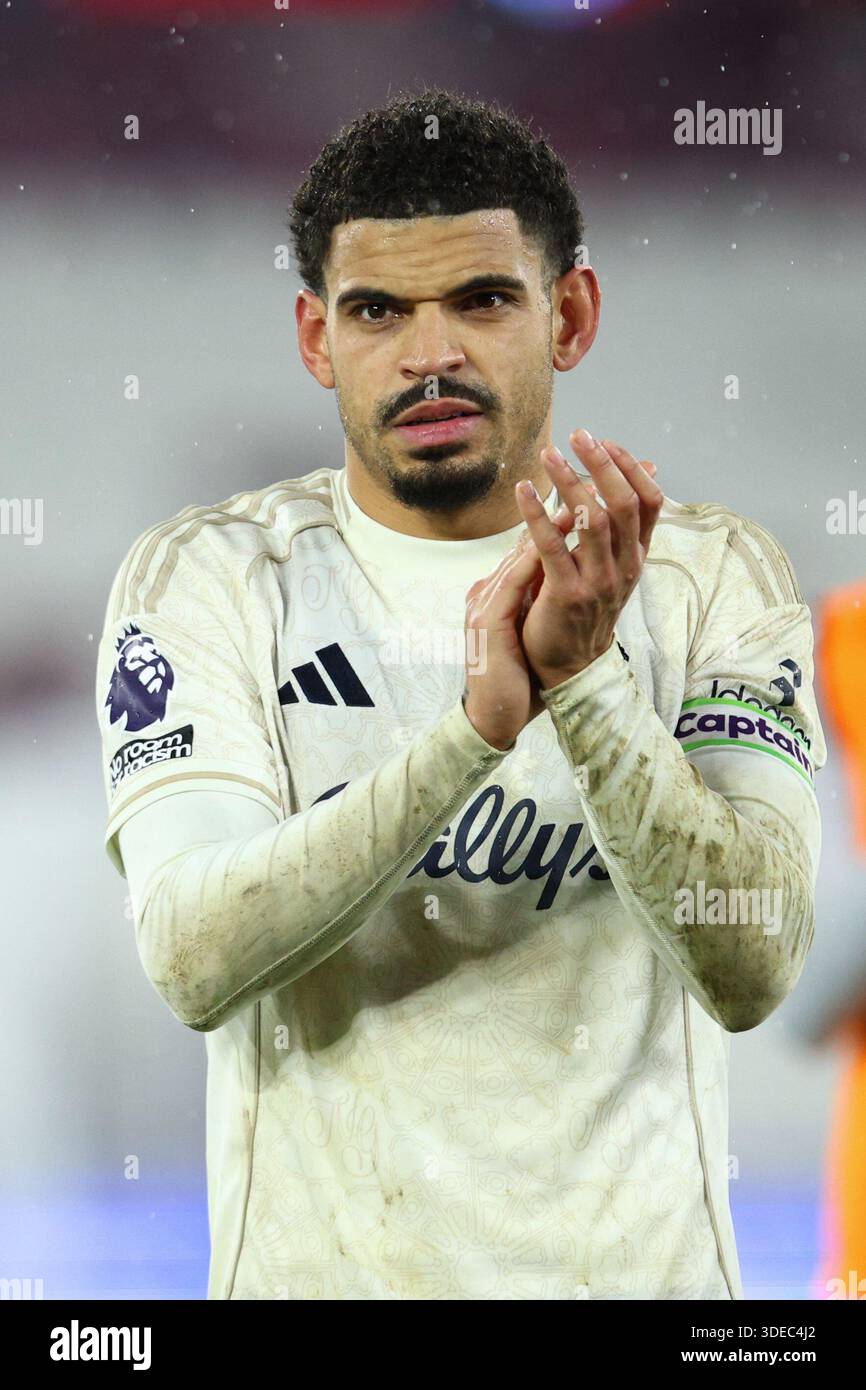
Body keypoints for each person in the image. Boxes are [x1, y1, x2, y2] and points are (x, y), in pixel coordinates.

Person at [95, 89, 825, 1300]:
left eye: (481, 300)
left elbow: (750, 965)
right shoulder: (212, 579)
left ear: (569, 313)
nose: (428, 353)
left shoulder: (707, 578)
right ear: (317, 339)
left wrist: (584, 675)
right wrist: (474, 733)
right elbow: (193, 955)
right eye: (377, 311)